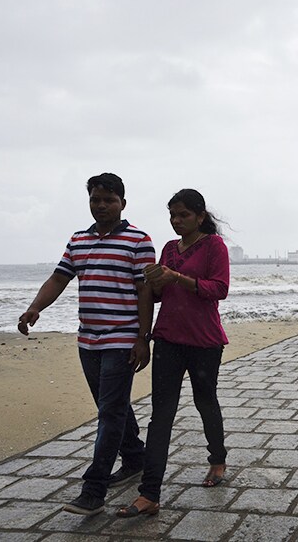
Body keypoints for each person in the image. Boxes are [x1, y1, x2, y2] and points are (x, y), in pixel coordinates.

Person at [18, 173, 153, 516]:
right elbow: (59, 277)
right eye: (95, 199)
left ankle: (93, 490)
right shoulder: (78, 240)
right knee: (113, 405)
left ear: (123, 202)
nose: (101, 205)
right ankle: (135, 457)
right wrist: (35, 307)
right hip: (87, 339)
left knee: (110, 411)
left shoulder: (139, 240)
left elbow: (145, 292)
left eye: (109, 199)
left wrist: (142, 338)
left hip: (122, 339)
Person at [117, 188, 231, 518]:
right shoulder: (168, 249)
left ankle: (217, 458)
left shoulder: (214, 246)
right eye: (172, 215)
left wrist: (176, 277)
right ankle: (149, 493)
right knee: (161, 414)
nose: (176, 220)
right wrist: (153, 281)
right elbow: (157, 295)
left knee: (205, 401)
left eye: (182, 215)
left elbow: (219, 290)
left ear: (199, 216)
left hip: (204, 341)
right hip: (167, 339)